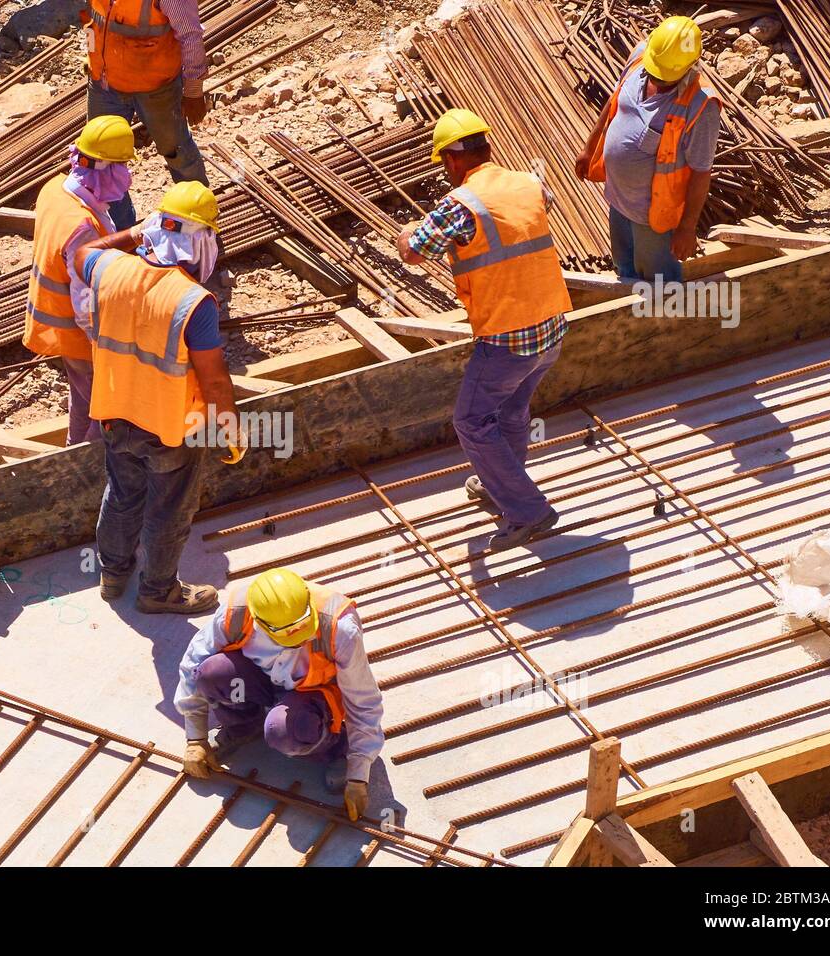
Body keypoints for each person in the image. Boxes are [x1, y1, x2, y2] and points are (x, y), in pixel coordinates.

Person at [397, 109, 572, 550]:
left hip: (507, 338)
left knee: (472, 422)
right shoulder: (529, 183)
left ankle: (528, 511)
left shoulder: (460, 204)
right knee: (511, 413)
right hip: (552, 326)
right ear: (487, 147)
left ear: (450, 160)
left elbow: (415, 252)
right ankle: (502, 487)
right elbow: (538, 209)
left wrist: (405, 232)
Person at [73, 181, 243, 614]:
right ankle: (157, 590)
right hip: (171, 429)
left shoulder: (110, 269)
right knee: (169, 510)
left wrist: (133, 235)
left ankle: (113, 575)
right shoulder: (193, 302)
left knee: (122, 496)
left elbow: (81, 252)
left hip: (114, 415)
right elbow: (215, 383)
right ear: (202, 241)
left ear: (156, 227)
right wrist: (229, 432)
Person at [175, 568, 383, 822]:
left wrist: (359, 771)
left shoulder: (339, 628)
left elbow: (363, 700)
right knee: (212, 673)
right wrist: (195, 738)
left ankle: (337, 748)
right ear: (261, 622)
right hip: (263, 680)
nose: (298, 635)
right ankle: (244, 727)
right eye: (288, 633)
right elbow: (192, 666)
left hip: (314, 696)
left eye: (302, 624)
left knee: (283, 731)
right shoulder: (237, 612)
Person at [574, 15, 721, 282]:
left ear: (689, 66)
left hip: (654, 218)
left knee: (659, 283)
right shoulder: (640, 57)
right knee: (624, 270)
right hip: (618, 201)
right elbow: (614, 101)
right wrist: (589, 148)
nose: (656, 78)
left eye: (665, 77)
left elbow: (701, 171)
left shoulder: (701, 106)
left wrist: (687, 228)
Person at [26, 116, 135, 445]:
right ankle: (89, 464)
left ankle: (74, 449)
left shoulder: (54, 189)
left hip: (58, 319)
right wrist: (108, 346)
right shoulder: (82, 227)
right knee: (103, 407)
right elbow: (86, 302)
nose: (126, 174)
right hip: (81, 333)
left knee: (84, 398)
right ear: (107, 168)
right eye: (121, 166)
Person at [82, 0, 212, 230]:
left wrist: (193, 91)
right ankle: (119, 232)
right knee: (100, 160)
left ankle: (198, 220)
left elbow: (190, 35)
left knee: (177, 152)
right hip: (105, 82)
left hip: (157, 89)